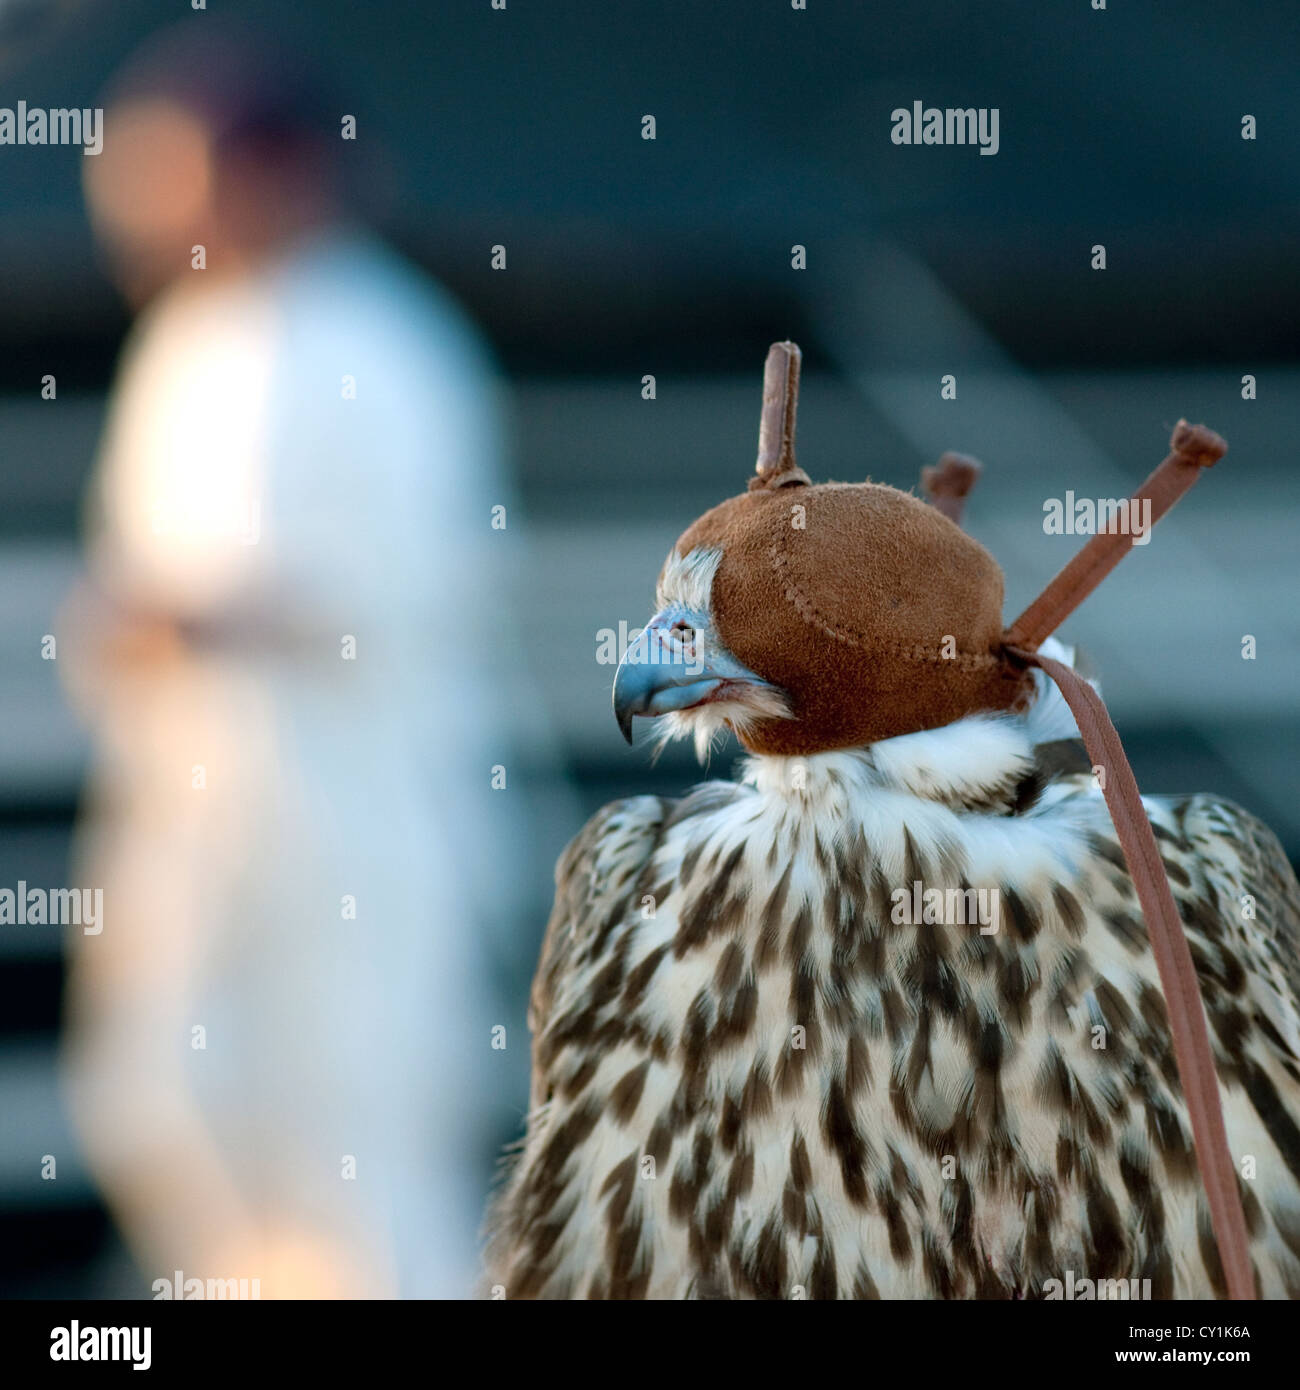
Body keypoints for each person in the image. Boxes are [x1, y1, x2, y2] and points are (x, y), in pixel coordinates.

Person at [60, 24, 528, 1298]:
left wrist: (219, 619)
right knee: (166, 1099)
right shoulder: (186, 345)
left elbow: (415, 587)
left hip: (355, 817)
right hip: (193, 804)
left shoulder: (386, 345)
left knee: (358, 1139)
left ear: (273, 172)